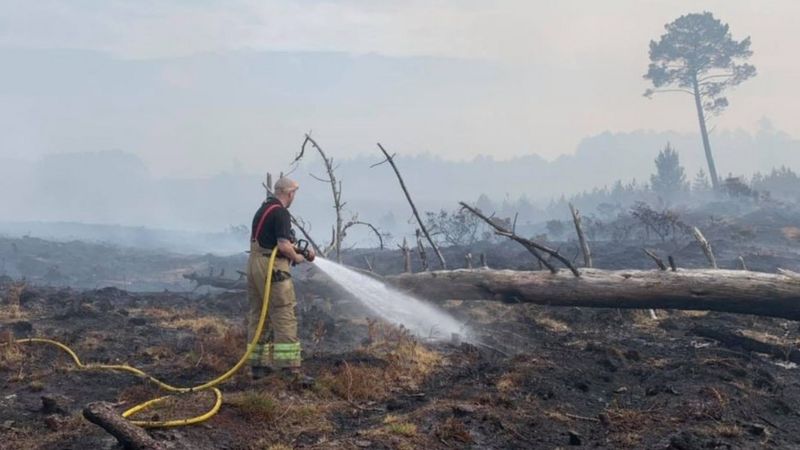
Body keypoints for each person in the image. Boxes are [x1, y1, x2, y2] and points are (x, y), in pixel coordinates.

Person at [246, 177, 315, 382]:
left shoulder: (263, 209)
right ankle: (289, 370)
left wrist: (296, 249)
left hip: (254, 264)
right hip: (272, 267)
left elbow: (272, 239)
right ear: (290, 193)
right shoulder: (281, 212)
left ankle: (258, 367)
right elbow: (283, 246)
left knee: (259, 315)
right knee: (283, 312)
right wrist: (298, 257)